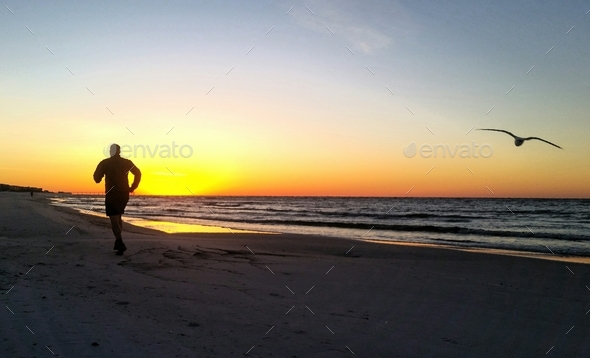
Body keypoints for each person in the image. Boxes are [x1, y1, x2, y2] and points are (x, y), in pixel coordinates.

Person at [93, 144, 141, 255]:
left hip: (112, 193)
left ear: (111, 151)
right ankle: (118, 241)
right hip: (124, 194)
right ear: (119, 151)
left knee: (114, 218)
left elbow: (96, 179)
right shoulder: (127, 162)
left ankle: (119, 241)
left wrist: (100, 174)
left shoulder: (104, 163)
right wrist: (133, 187)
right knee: (118, 215)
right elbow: (138, 173)